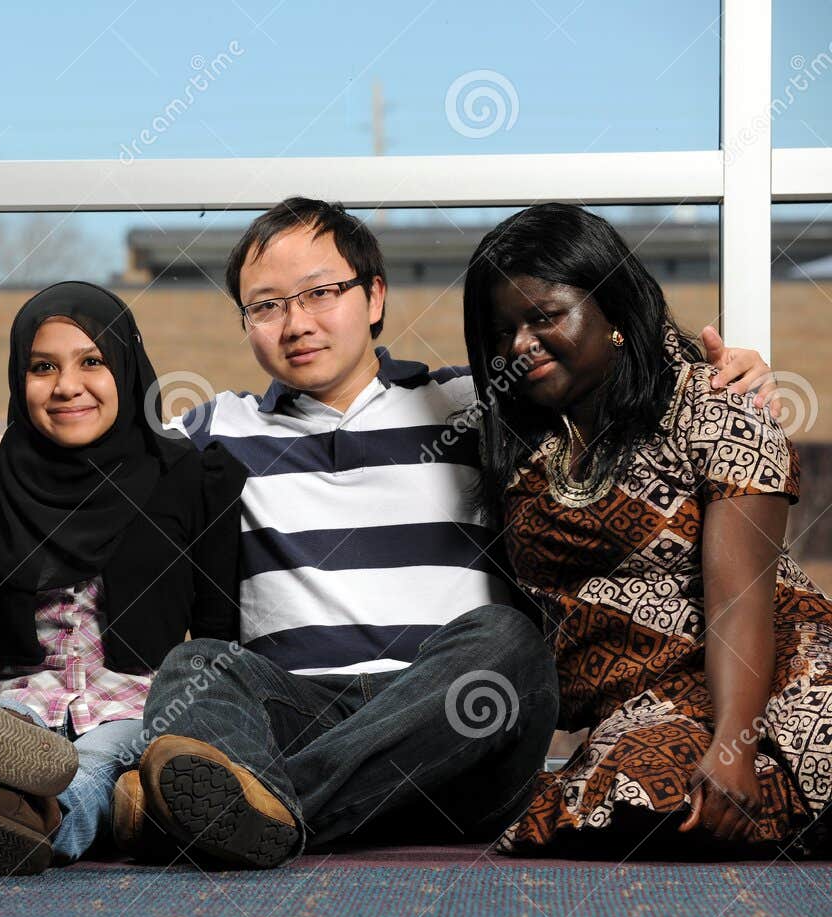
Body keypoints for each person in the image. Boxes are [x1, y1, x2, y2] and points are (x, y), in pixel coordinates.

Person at [133, 197, 778, 869]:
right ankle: (255, 813)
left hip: (460, 730)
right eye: (266, 306)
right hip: (302, 712)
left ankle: (247, 811)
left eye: (321, 293)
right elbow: (95, 457)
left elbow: (612, 378)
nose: (297, 322)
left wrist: (729, 372)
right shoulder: (217, 431)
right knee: (197, 665)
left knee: (508, 640)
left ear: (374, 296)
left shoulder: (477, 403)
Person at [463, 203, 830, 856]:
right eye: (503, 329)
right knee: (640, 791)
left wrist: (734, 746)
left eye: (544, 316)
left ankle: (773, 795)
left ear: (616, 315)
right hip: (640, 709)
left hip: (771, 674)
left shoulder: (716, 408)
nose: (518, 345)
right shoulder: (512, 434)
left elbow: (739, 597)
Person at [0, 282, 246, 874]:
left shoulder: (189, 477)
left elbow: (217, 636)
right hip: (17, 707)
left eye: (93, 362)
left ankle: (34, 822)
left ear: (129, 370)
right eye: (42, 367)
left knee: (104, 753)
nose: (66, 386)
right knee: (10, 734)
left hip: (138, 708)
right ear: (18, 375)